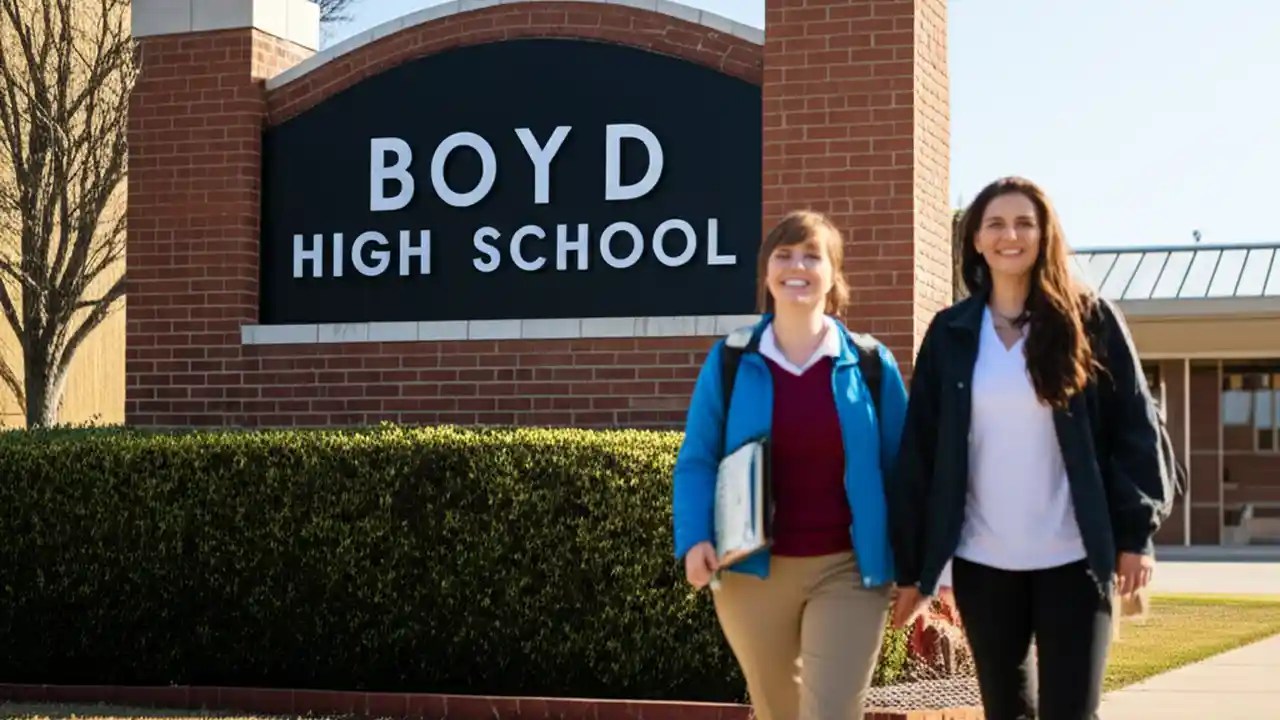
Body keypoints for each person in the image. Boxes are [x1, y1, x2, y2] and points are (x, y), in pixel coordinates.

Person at [886, 176, 1175, 720]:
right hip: (983, 561)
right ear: (974, 239)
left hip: (1073, 557)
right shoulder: (950, 334)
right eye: (995, 223)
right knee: (1006, 711)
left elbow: (1135, 428)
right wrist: (917, 568)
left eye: (1024, 223)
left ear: (1045, 235)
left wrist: (1136, 535)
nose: (1009, 235)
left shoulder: (1089, 321)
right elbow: (920, 454)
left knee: (1072, 711)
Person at [671, 209, 910, 720]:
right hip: (751, 574)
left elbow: (906, 471)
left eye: (811, 255)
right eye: (783, 255)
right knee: (778, 711)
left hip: (849, 569)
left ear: (833, 275)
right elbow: (697, 460)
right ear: (766, 274)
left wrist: (918, 565)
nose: (796, 266)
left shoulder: (869, 365)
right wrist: (694, 538)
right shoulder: (732, 359)